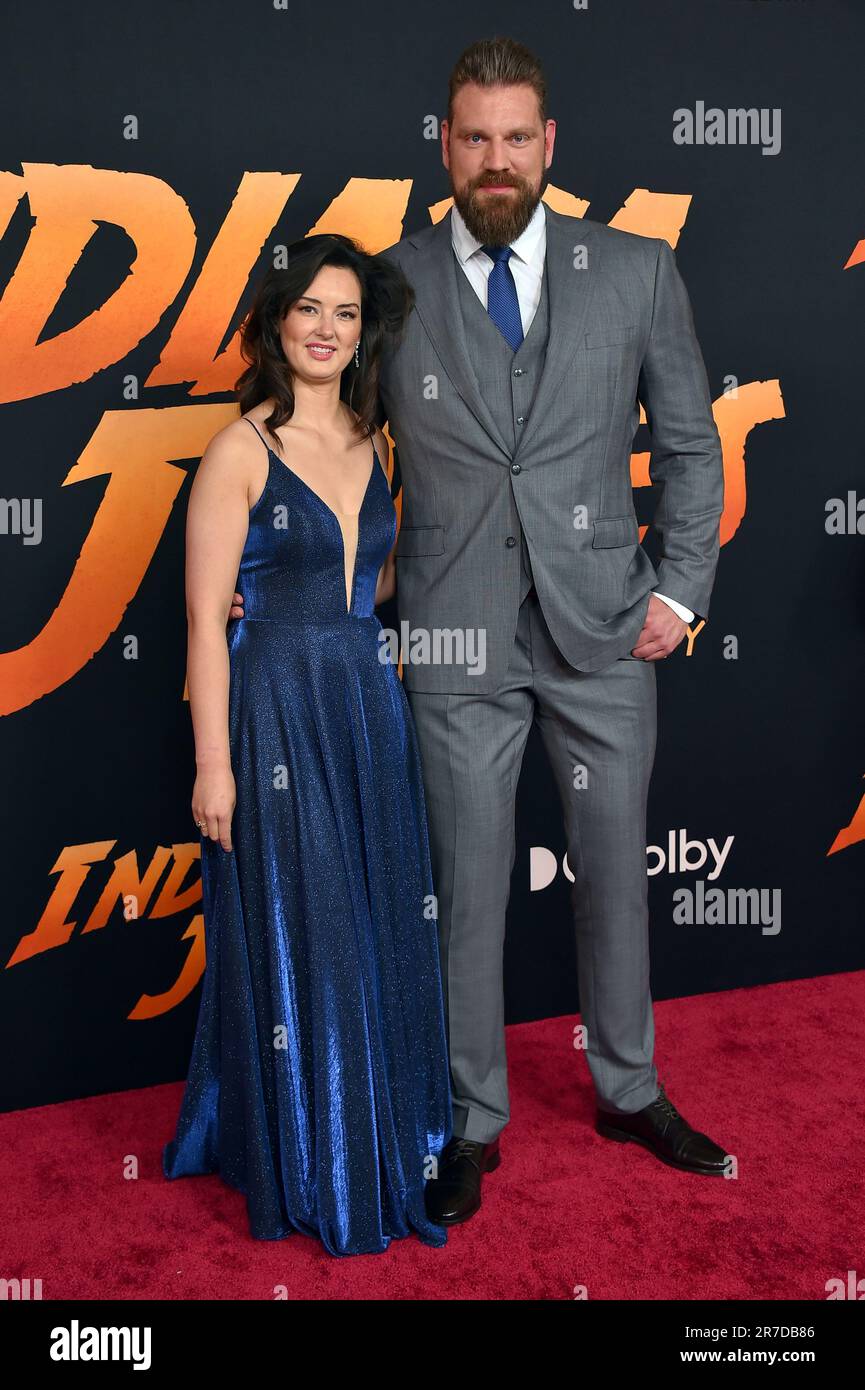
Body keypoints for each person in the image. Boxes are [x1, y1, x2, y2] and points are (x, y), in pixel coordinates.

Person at [231, 36, 731, 1227]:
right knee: (459, 890)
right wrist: (268, 553)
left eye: (516, 138)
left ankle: (629, 1085)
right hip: (450, 642)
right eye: (473, 139)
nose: (495, 160)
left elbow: (693, 442)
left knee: (615, 875)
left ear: (548, 145)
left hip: (605, 627)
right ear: (443, 146)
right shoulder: (389, 289)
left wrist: (678, 591)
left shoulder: (638, 271)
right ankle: (467, 1119)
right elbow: (322, 428)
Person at [162, 235, 452, 1256]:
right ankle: (320, 1163)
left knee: (371, 924)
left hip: (367, 703)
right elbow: (203, 622)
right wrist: (213, 763)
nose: (326, 330)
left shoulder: (375, 442)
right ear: (277, 323)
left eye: (345, 313)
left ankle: (378, 1139)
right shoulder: (240, 450)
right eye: (308, 311)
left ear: (361, 330)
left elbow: (362, 583)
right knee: (312, 934)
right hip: (274, 711)